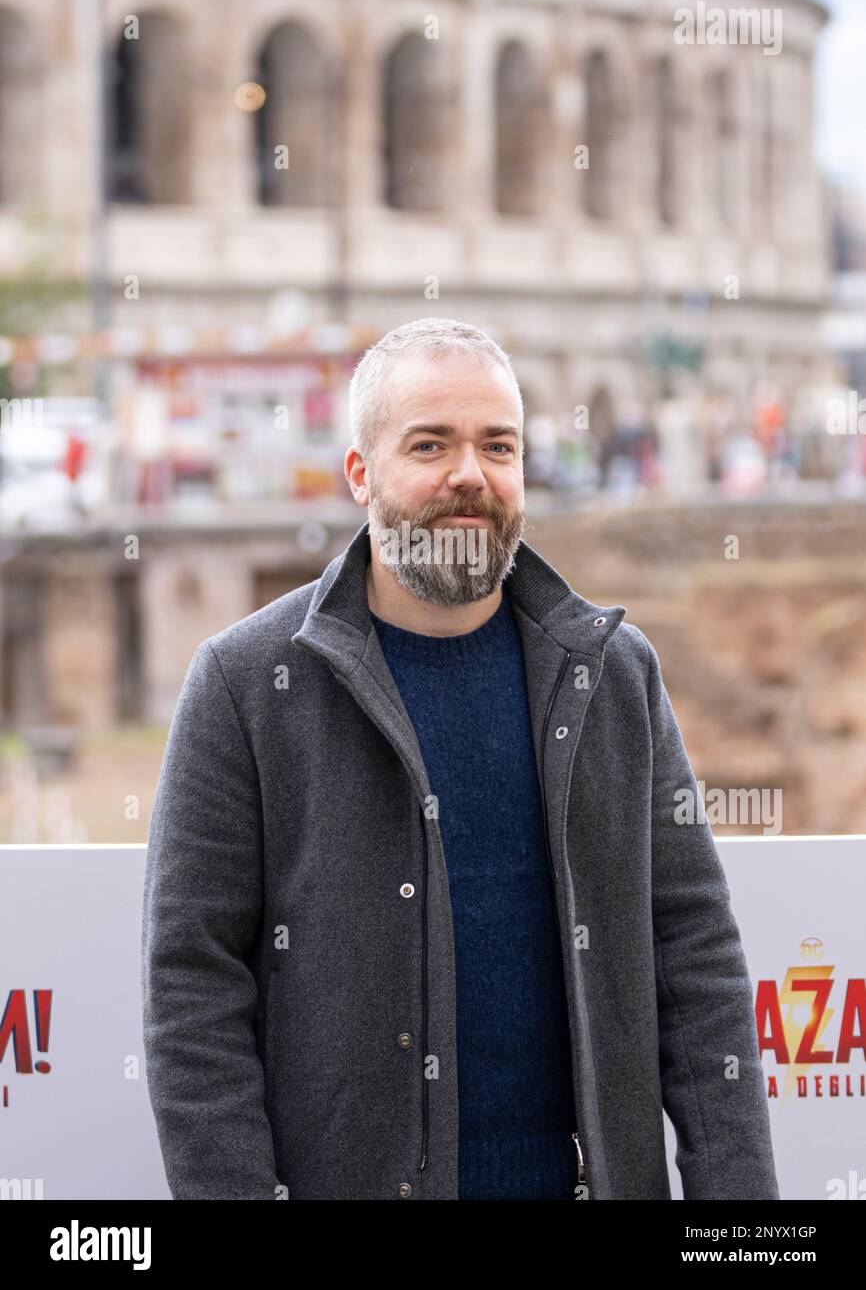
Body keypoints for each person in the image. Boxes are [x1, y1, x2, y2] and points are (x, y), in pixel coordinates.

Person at [141, 317, 779, 1201]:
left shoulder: (613, 675)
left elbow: (696, 956)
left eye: (498, 446)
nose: (469, 475)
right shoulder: (244, 686)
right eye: (430, 444)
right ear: (360, 474)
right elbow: (193, 994)